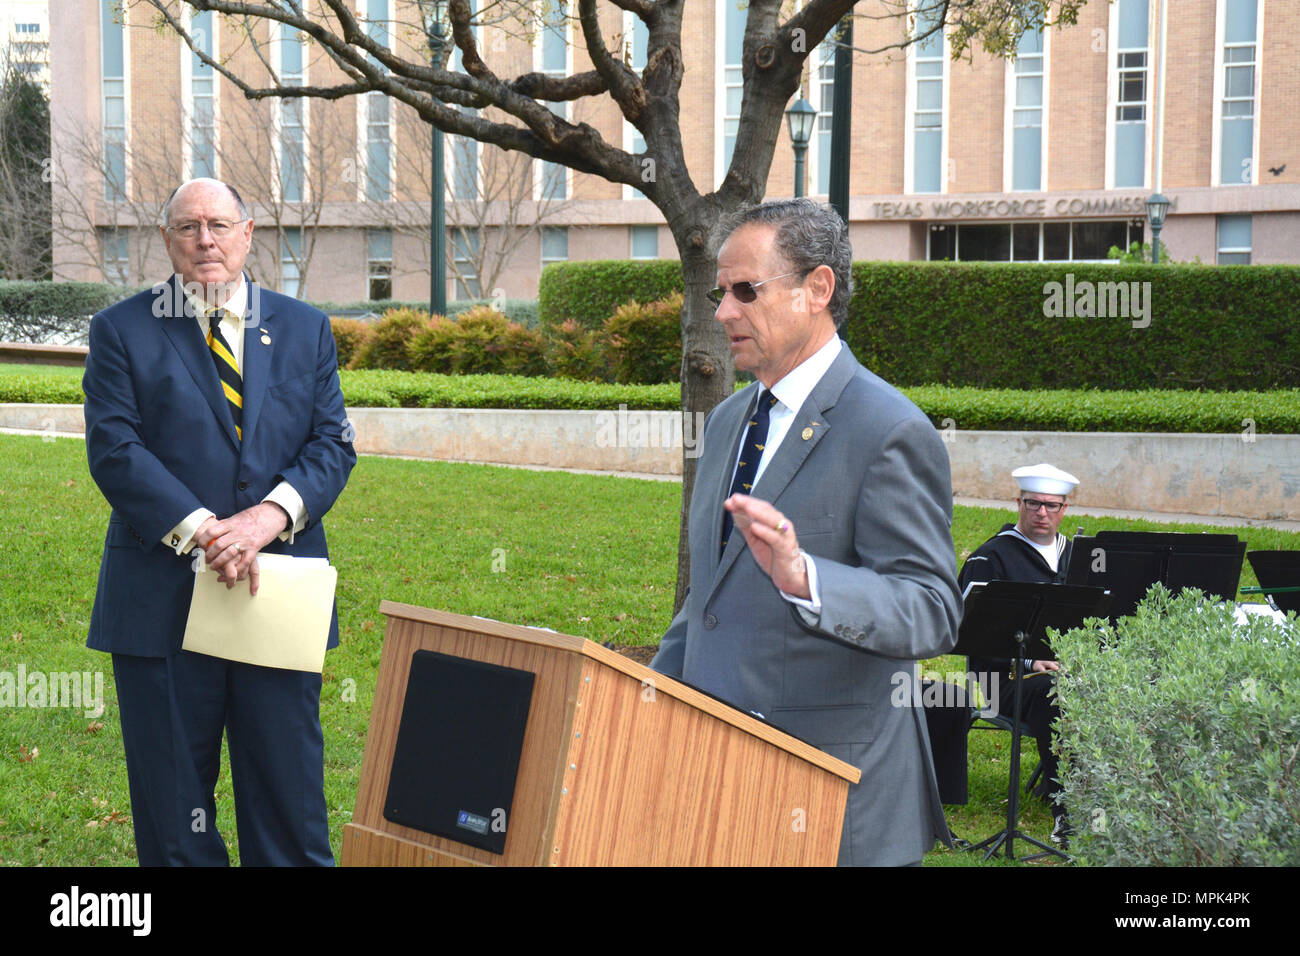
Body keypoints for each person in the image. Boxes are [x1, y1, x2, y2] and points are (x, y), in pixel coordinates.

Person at [650, 199, 962, 866]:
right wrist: (642, 708)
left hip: (833, 806)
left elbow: (932, 609)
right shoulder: (730, 420)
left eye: (744, 291)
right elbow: (705, 605)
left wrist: (807, 579)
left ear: (816, 289)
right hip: (719, 793)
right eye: (720, 293)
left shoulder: (889, 430)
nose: (724, 312)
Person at [82, 178, 356, 865]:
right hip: (162, 599)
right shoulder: (122, 331)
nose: (205, 239)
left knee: (288, 803)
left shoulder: (304, 327)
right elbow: (116, 452)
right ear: (167, 239)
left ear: (248, 233)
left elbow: (333, 444)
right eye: (187, 227)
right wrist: (208, 530)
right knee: (177, 821)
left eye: (219, 224)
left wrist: (266, 519)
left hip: (276, 591)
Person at [957, 463, 1077, 846]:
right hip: (1002, 680)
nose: (1043, 513)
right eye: (1034, 503)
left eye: (1052, 506)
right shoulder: (990, 558)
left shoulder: (1078, 557)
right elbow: (970, 636)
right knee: (1053, 692)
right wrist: (1028, 661)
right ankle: (1067, 812)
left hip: (1068, 671)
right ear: (1019, 503)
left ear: (1064, 509)